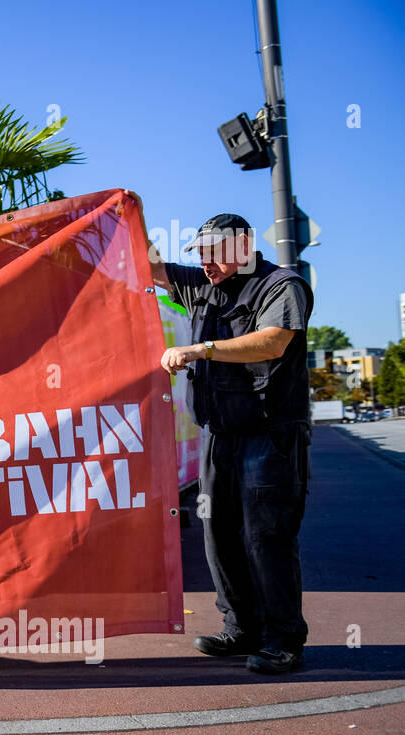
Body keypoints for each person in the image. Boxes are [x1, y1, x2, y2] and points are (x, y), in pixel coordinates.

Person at [151, 214, 313, 675]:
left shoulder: (281, 285)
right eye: (199, 254)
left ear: (243, 245)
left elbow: (274, 342)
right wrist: (131, 210)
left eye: (214, 253)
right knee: (218, 533)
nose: (204, 263)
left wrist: (202, 350)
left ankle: (283, 640)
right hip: (218, 434)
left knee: (267, 537)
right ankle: (241, 627)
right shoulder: (203, 282)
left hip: (269, 434)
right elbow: (149, 267)